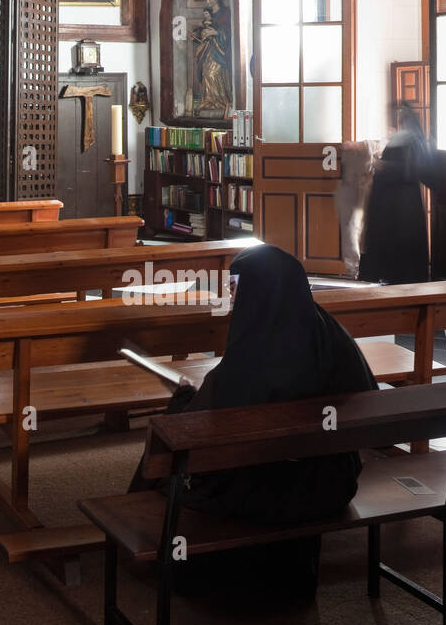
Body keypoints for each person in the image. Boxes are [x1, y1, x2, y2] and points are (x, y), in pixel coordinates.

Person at [130, 244, 378, 598]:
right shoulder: (331, 333)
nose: (232, 296)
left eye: (236, 286)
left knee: (167, 445)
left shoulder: (253, 347)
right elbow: (364, 396)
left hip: (264, 496)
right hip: (331, 484)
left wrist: (183, 400)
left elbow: (199, 432)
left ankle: (159, 553)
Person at [358, 103, 433, 284]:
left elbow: (410, 171)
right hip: (399, 202)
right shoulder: (409, 139)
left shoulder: (410, 140)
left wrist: (382, 166)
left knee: (397, 245)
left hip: (399, 204)